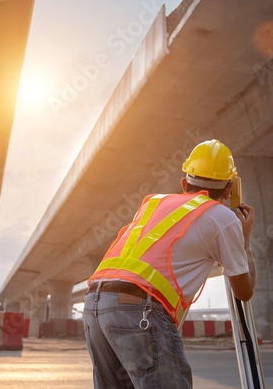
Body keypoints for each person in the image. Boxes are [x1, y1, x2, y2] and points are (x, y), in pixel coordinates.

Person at [83, 139, 256, 388]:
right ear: (230, 189)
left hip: (95, 306)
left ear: (184, 184)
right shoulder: (223, 218)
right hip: (140, 309)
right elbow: (244, 290)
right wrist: (245, 239)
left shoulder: (153, 203)